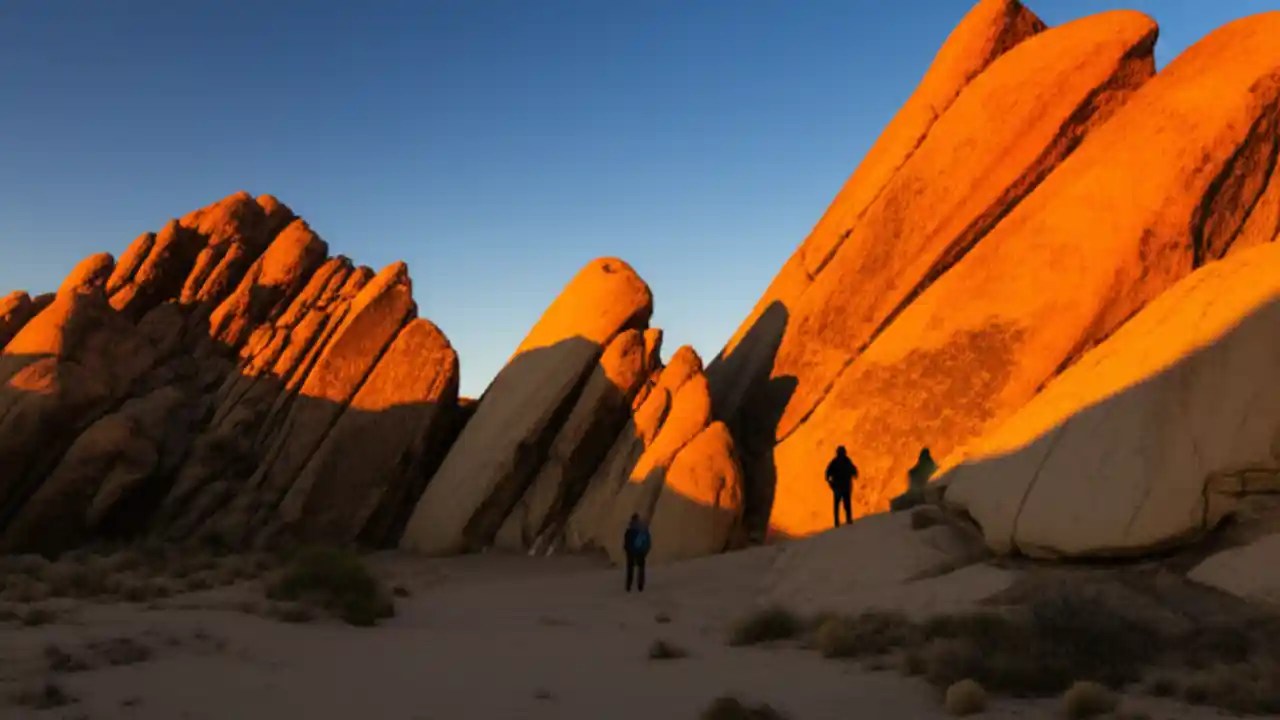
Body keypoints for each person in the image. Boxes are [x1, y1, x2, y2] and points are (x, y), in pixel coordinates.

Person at [825, 446, 858, 527]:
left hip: (840, 487)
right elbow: (853, 470)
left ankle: (839, 522)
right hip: (842, 487)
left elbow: (827, 473)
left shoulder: (836, 462)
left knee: (839, 505)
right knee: (845, 504)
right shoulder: (845, 461)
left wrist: (830, 482)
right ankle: (847, 520)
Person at [623, 513, 650, 592]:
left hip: (631, 552)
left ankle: (629, 586)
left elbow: (626, 542)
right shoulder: (643, 529)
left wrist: (626, 550)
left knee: (630, 569)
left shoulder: (630, 529)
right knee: (640, 569)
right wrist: (646, 550)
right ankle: (640, 586)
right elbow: (647, 540)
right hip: (640, 551)